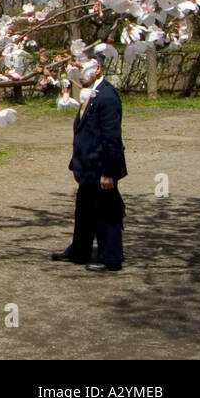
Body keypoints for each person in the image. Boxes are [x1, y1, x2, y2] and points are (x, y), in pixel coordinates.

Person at [52, 54, 127, 272]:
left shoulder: (107, 97)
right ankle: (79, 250)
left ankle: (111, 257)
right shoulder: (91, 94)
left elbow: (112, 137)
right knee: (84, 211)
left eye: (85, 69)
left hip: (101, 166)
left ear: (98, 69)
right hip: (87, 165)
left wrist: (108, 172)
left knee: (107, 211)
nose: (80, 74)